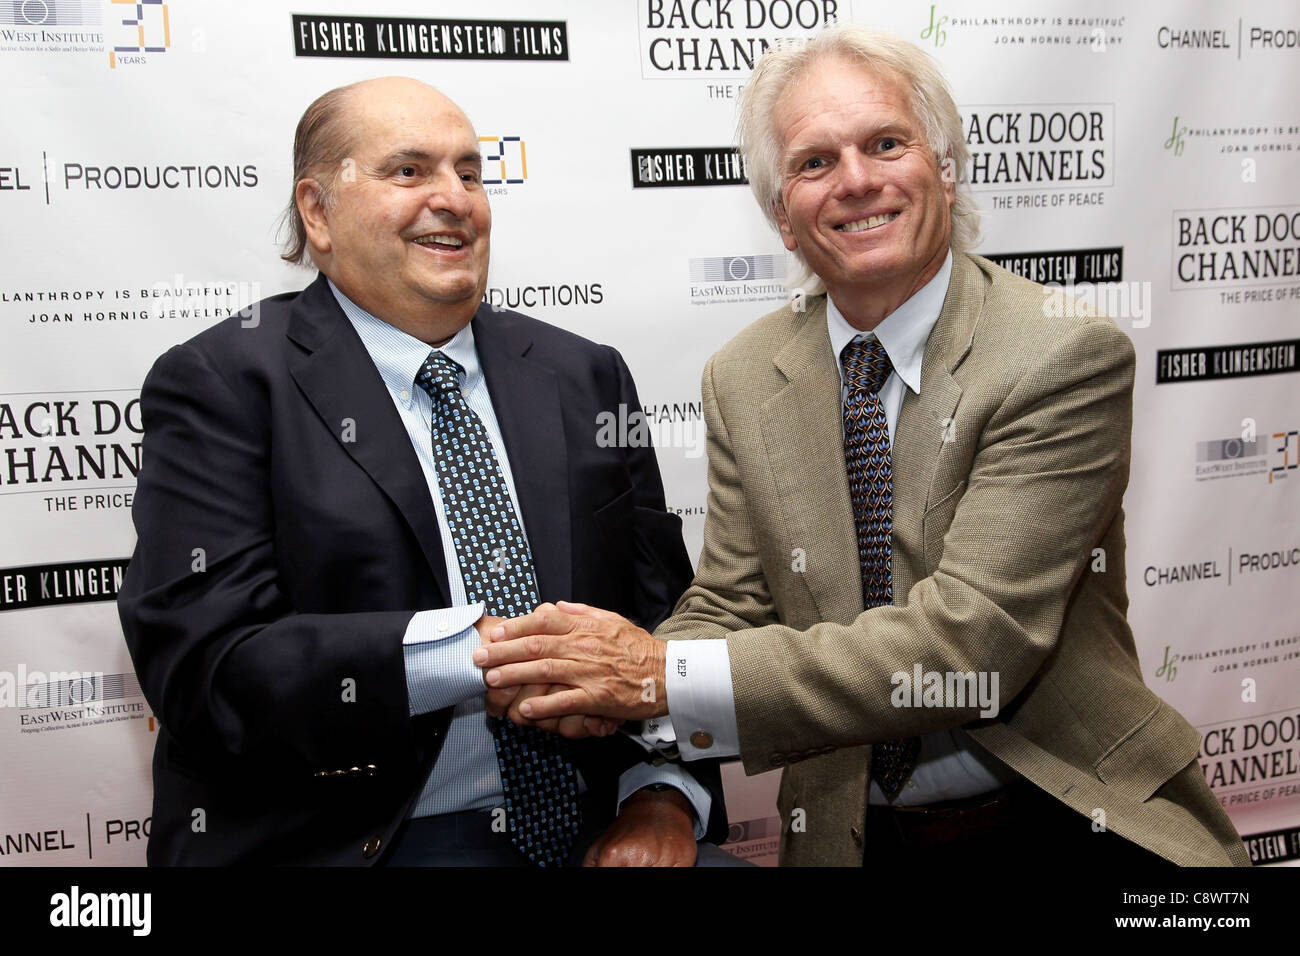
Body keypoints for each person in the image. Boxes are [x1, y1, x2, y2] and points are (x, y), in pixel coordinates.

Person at [475, 26, 1251, 867]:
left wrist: (656, 678)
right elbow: (733, 603)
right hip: (846, 828)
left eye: (886, 143)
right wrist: (631, 713)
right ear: (782, 218)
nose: (855, 181)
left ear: (944, 171)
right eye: (813, 163)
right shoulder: (743, 375)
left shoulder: (1060, 353)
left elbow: (969, 644)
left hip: (1056, 809)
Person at [117, 76, 733, 866]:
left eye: (470, 174)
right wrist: (482, 652)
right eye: (408, 171)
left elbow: (662, 625)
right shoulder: (225, 383)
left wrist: (661, 795)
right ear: (317, 211)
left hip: (595, 828)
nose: (455, 199)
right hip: (358, 840)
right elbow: (206, 665)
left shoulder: (585, 376)